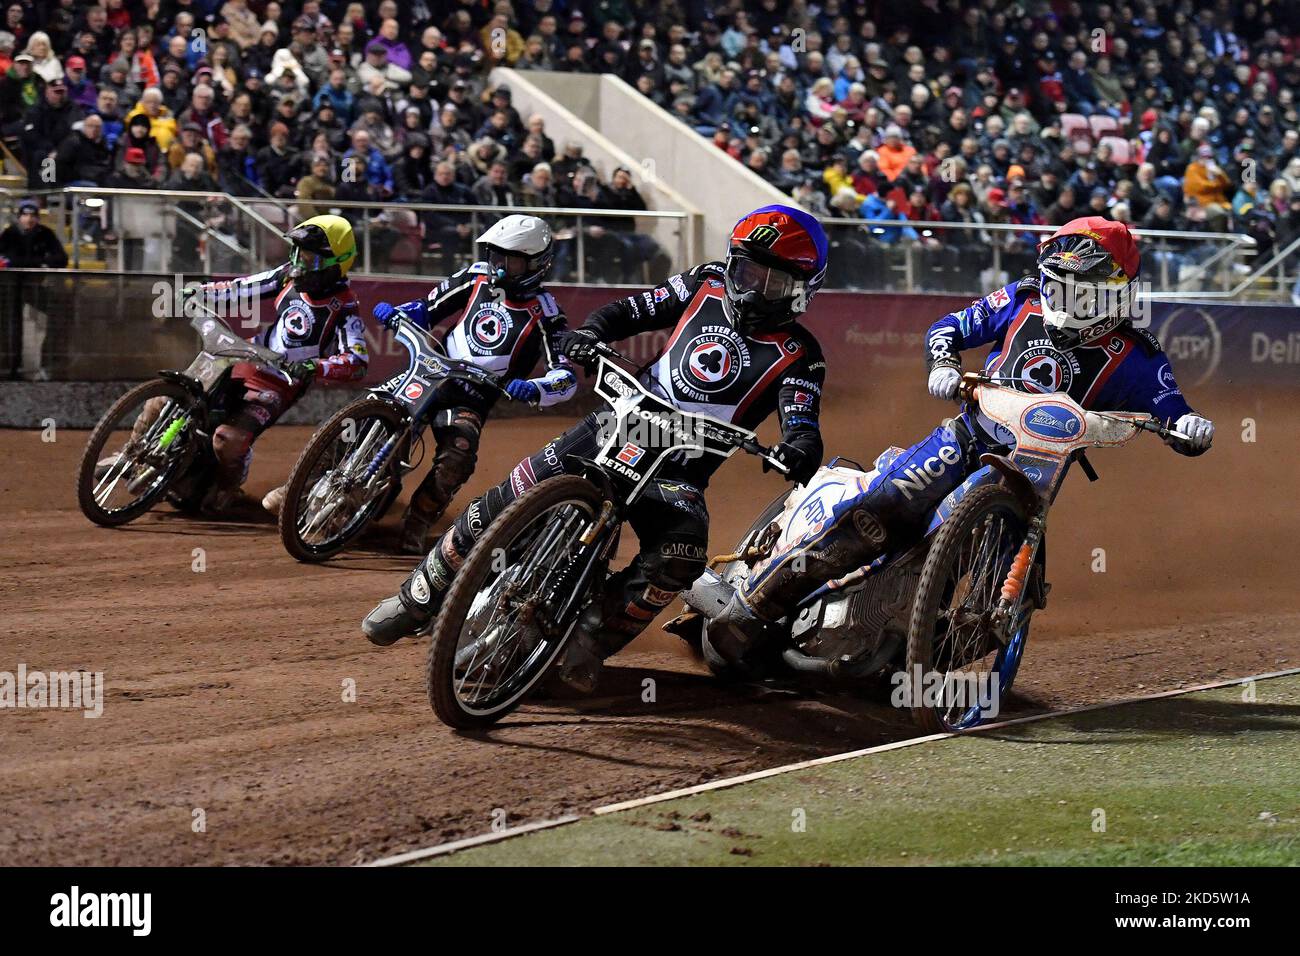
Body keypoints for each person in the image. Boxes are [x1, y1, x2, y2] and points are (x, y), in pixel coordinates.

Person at [361, 204, 831, 696]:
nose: (752, 287)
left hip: (682, 469)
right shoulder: (704, 283)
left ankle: (590, 639)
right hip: (615, 421)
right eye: (746, 270)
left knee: (682, 555)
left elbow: (802, 421)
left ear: (802, 290)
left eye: (770, 280)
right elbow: (628, 311)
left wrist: (797, 447)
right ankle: (417, 597)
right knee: (502, 500)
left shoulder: (800, 355)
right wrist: (591, 334)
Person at [715, 217, 1215, 661]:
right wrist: (945, 363)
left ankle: (905, 651)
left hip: (1036, 470)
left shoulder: (1136, 354)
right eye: (1059, 287)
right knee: (879, 510)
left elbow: (1170, 408)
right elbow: (951, 326)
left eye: (1080, 291)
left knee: (991, 571)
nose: (1063, 300)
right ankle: (757, 605)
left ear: (1116, 293)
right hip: (967, 435)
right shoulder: (1021, 300)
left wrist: (1188, 428)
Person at [358, 214, 579, 553]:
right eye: (495, 257)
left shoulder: (546, 313)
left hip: (473, 396)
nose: (499, 267)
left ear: (537, 264)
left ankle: (418, 520)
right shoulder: (475, 277)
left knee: (457, 457)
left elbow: (565, 377)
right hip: (431, 370)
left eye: (510, 261)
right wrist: (398, 313)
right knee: (370, 409)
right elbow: (426, 309)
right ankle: (314, 480)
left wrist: (535, 388)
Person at [183, 215, 368, 513]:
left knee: (227, 440)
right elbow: (241, 288)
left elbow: (357, 362)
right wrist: (201, 291)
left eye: (309, 257)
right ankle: (132, 452)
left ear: (338, 262)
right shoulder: (287, 277)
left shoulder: (344, 308)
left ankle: (229, 482)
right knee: (178, 396)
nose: (299, 263)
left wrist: (315, 367)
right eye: (296, 253)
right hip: (243, 357)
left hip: (280, 382)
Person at [0, 199, 67, 380]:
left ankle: (45, 366)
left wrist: (37, 263)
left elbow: (61, 258)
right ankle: (11, 367)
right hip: (10, 288)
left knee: (52, 320)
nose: (28, 219)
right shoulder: (9, 234)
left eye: (32, 216)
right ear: (19, 217)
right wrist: (40, 262)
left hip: (36, 287)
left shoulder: (45, 234)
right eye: (25, 215)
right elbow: (7, 259)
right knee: (11, 327)